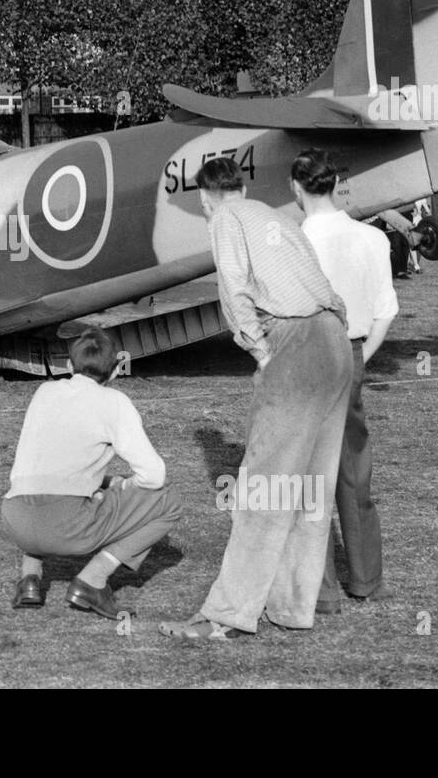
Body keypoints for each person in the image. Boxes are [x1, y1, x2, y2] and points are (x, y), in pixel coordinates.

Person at [159, 157, 350, 641]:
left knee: (262, 489)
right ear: (240, 187)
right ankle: (290, 607)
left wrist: (259, 350)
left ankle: (226, 616)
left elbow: (235, 287)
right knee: (310, 487)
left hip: (295, 345)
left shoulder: (225, 219)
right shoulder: (278, 215)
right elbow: (325, 288)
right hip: (335, 341)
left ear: (205, 198)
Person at [1, 326, 184, 618]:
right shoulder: (114, 402)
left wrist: (104, 482)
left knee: (43, 485)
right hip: (65, 525)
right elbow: (154, 475)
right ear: (114, 372)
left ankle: (29, 579)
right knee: (169, 502)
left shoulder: (44, 391)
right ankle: (93, 580)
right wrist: (121, 486)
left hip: (15, 519)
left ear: (70, 366)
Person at [291, 150, 397, 614]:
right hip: (351, 351)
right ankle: (366, 579)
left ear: (297, 188)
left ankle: (321, 589)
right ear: (335, 185)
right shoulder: (372, 238)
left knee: (309, 473)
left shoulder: (291, 242)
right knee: (354, 471)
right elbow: (385, 310)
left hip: (307, 353)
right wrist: (359, 358)